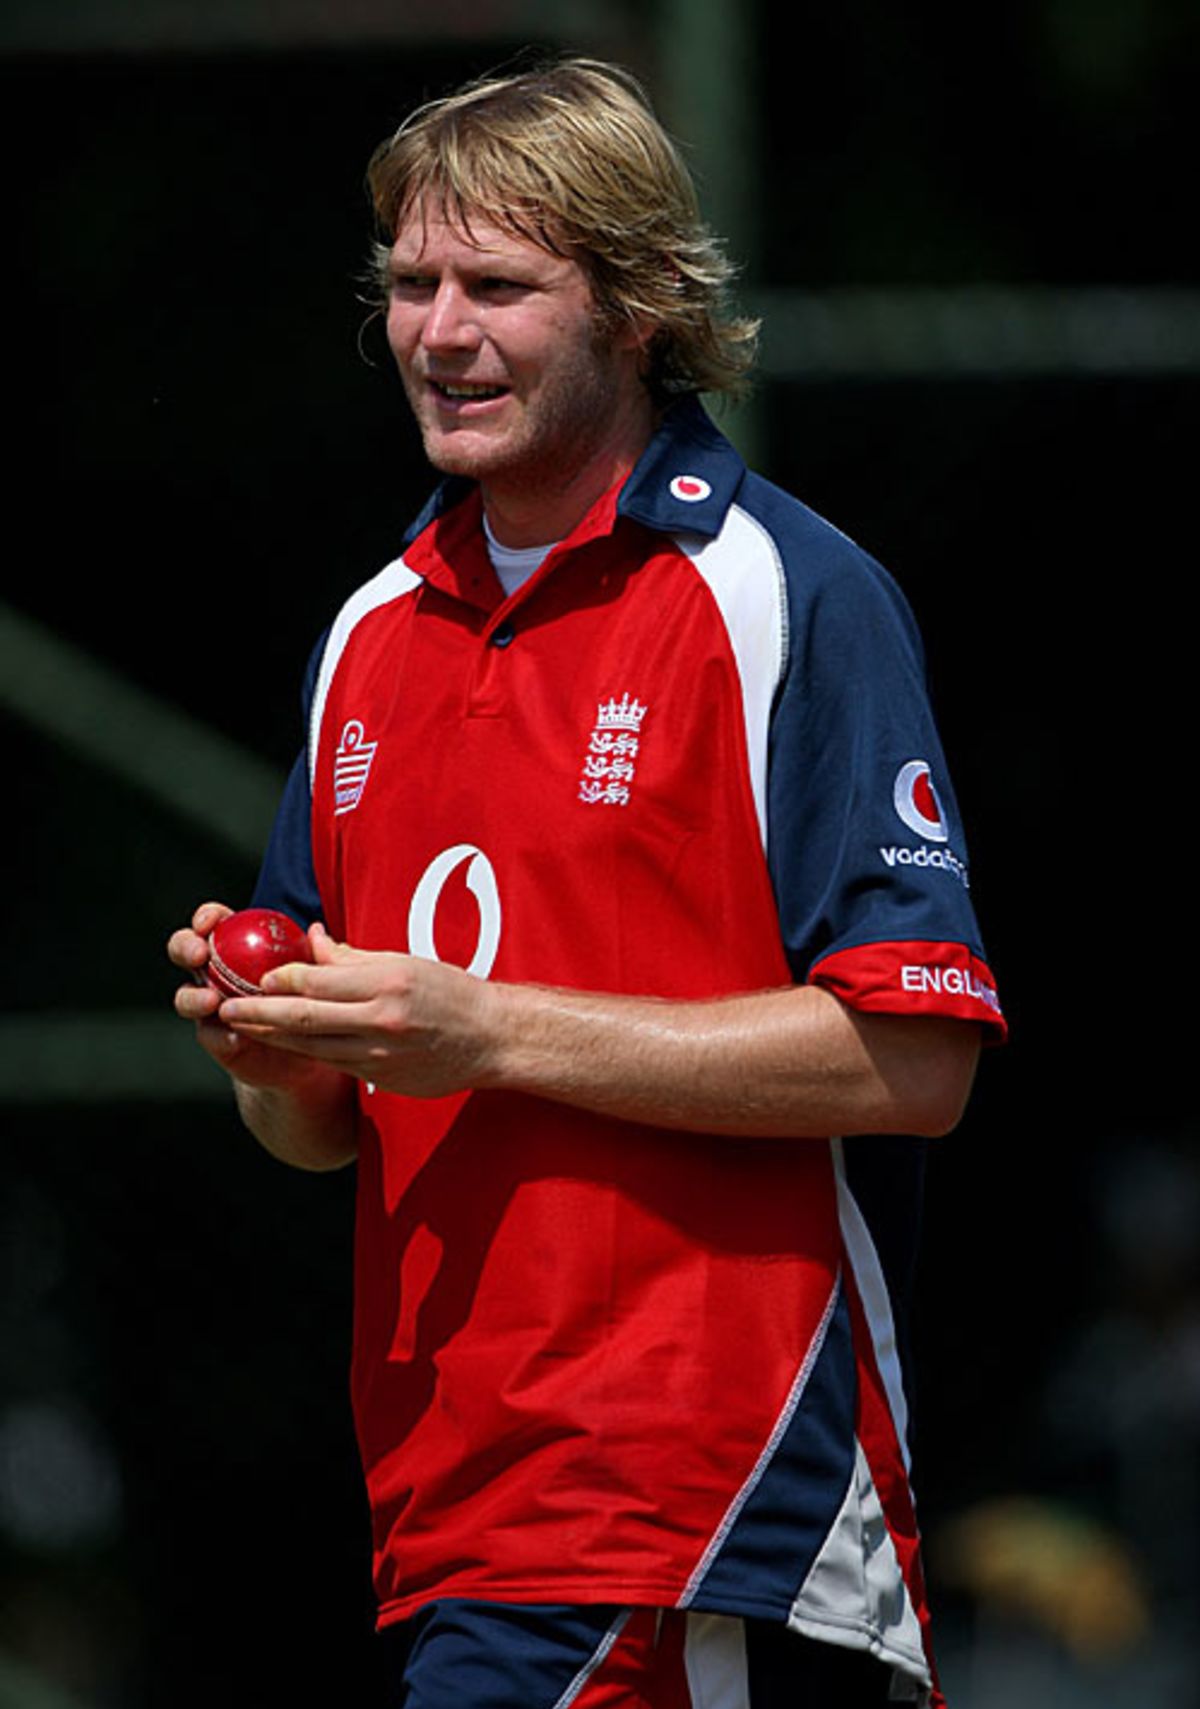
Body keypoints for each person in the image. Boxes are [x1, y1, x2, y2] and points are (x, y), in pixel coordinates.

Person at [169, 56, 1004, 1709]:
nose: (440, 328)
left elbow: (915, 1061)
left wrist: (481, 1027)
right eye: (412, 283)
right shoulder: (370, 633)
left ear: (635, 306)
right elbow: (321, 1126)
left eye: (500, 285)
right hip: (455, 1515)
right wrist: (275, 1058)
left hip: (700, 1504)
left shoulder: (787, 593)